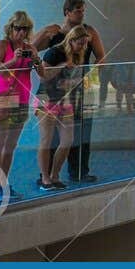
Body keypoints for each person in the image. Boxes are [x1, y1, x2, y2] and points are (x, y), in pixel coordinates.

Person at [34, 0, 107, 182]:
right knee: (51, 136)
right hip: (52, 91)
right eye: (77, 11)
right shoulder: (55, 34)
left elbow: (101, 56)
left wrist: (91, 76)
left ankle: (79, 171)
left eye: (83, 11)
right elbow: (32, 50)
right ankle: (46, 174)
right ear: (67, 12)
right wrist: (43, 32)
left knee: (79, 131)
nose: (81, 14)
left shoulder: (89, 32)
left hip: (78, 89)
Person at [0, 11, 38, 202]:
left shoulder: (29, 47)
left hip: (23, 98)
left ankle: (3, 183)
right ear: (11, 28)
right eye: (18, 28)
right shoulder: (3, 45)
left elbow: (42, 73)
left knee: (11, 145)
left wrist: (36, 58)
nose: (21, 33)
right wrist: (14, 61)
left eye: (25, 29)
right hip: (4, 96)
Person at [35, 24, 91, 190]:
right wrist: (61, 67)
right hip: (47, 100)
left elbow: (77, 79)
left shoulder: (78, 55)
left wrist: (72, 82)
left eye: (85, 44)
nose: (83, 47)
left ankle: (55, 175)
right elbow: (43, 75)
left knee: (68, 140)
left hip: (65, 100)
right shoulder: (54, 52)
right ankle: (45, 178)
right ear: (71, 40)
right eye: (80, 43)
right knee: (46, 140)